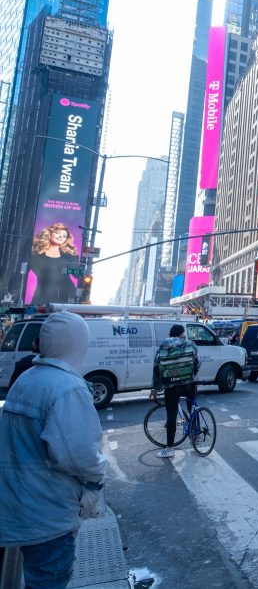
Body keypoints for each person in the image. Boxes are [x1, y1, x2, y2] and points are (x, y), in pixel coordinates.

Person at [0, 312, 107, 589]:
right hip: (49, 512)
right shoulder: (67, 388)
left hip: (19, 504)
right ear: (77, 344)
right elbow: (79, 456)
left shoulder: (26, 379)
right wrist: (97, 480)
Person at [151, 324, 201, 458]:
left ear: (170, 334)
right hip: (189, 383)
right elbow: (198, 362)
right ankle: (196, 434)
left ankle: (169, 448)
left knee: (171, 415)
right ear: (182, 333)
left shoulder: (164, 344)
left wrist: (155, 388)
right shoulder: (190, 344)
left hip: (171, 385)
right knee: (193, 409)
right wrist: (191, 375)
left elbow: (156, 367)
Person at [27, 223, 80, 305]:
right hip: (43, 296)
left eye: (64, 235)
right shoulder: (35, 256)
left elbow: (77, 275)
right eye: (57, 233)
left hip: (68, 296)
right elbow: (22, 275)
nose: (61, 237)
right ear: (49, 234)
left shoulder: (69, 257)